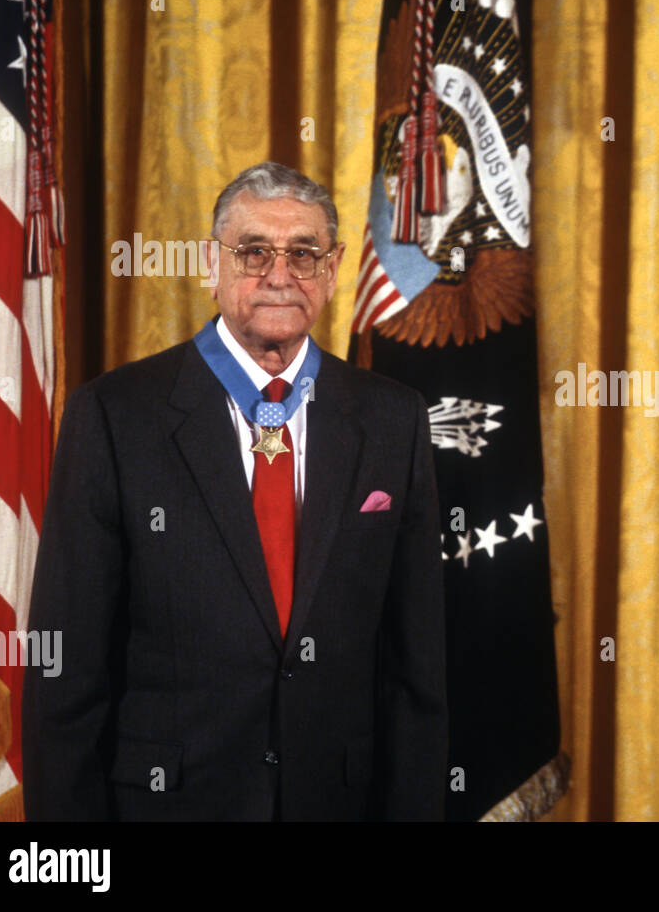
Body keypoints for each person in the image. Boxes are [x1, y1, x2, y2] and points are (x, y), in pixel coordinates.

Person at [23, 162, 447, 820]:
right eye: (254, 252)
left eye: (304, 253)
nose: (280, 275)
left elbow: (416, 669)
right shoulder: (113, 416)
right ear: (211, 265)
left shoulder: (394, 419)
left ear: (333, 271)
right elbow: (65, 679)